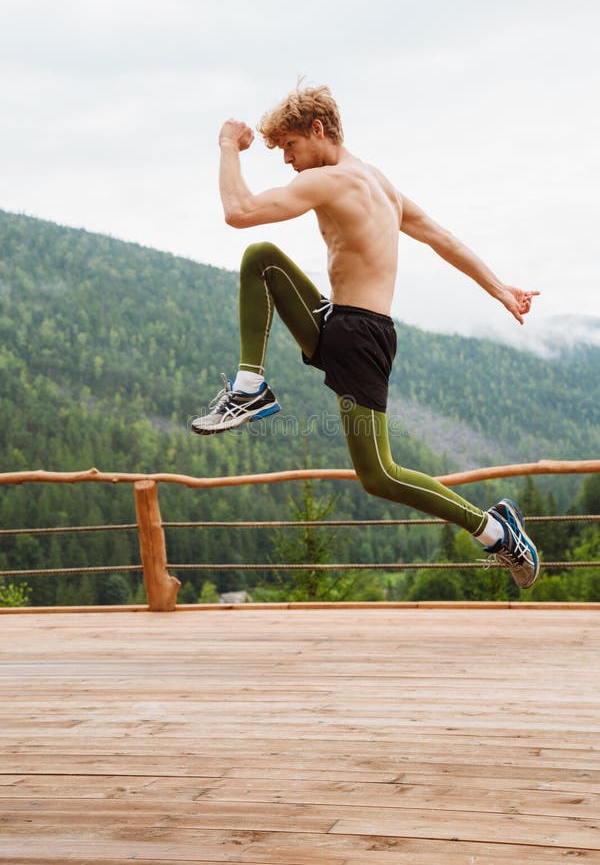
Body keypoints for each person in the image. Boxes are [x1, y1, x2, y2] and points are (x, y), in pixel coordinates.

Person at [191, 84, 540, 589]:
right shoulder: (381, 183)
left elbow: (238, 211)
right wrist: (498, 288)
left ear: (318, 129)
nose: (287, 160)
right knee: (261, 260)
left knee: (379, 475)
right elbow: (441, 237)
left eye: (289, 146)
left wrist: (227, 147)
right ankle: (250, 388)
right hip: (340, 322)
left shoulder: (330, 181)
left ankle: (496, 532)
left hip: (359, 336)